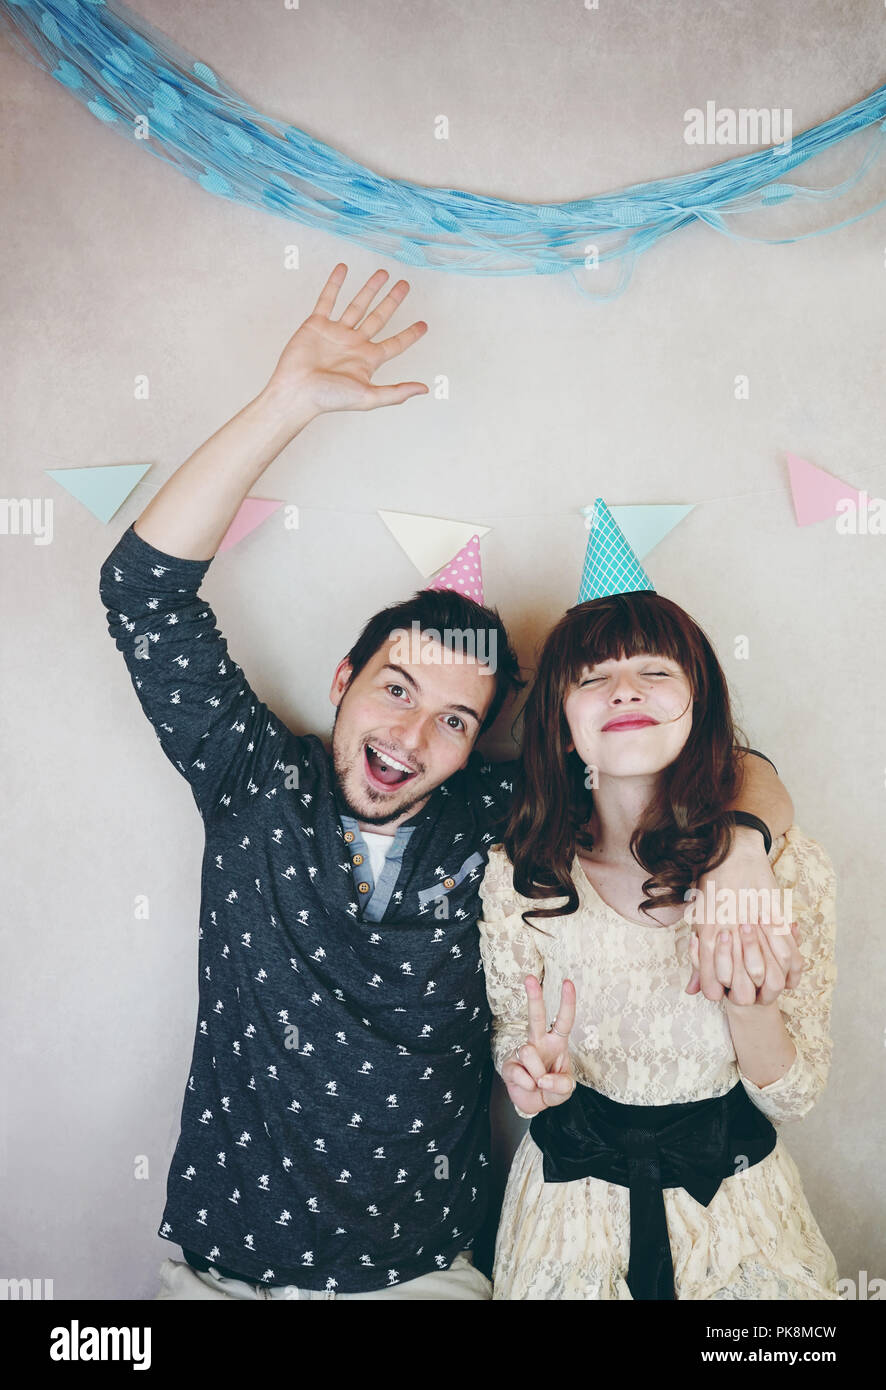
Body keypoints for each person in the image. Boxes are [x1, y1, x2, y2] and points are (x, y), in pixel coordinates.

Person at [99, 264, 800, 1299]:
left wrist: (743, 842)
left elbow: (697, 759)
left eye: (455, 718)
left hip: (425, 1273)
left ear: (483, 746)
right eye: (394, 688)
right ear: (343, 679)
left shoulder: (502, 819)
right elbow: (142, 593)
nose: (412, 731)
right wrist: (286, 398)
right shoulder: (252, 777)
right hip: (224, 1267)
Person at [477, 591, 840, 1299]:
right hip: (567, 1213)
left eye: (655, 670)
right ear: (560, 725)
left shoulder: (783, 866)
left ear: (700, 705)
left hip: (734, 1214)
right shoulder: (519, 874)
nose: (625, 689)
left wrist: (749, 1007)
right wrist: (528, 1078)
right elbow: (516, 1030)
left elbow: (796, 1096)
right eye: (591, 677)